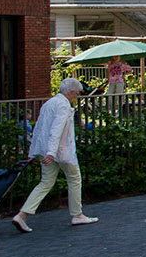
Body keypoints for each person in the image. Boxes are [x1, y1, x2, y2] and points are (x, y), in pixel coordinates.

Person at [10, 78, 97, 232]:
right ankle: (77, 214)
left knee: (45, 183)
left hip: (45, 152)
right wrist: (51, 152)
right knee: (74, 179)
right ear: (70, 92)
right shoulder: (63, 106)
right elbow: (56, 130)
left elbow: (39, 128)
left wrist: (33, 152)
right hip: (60, 151)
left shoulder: (49, 103)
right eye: (77, 94)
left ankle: (22, 215)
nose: (77, 97)